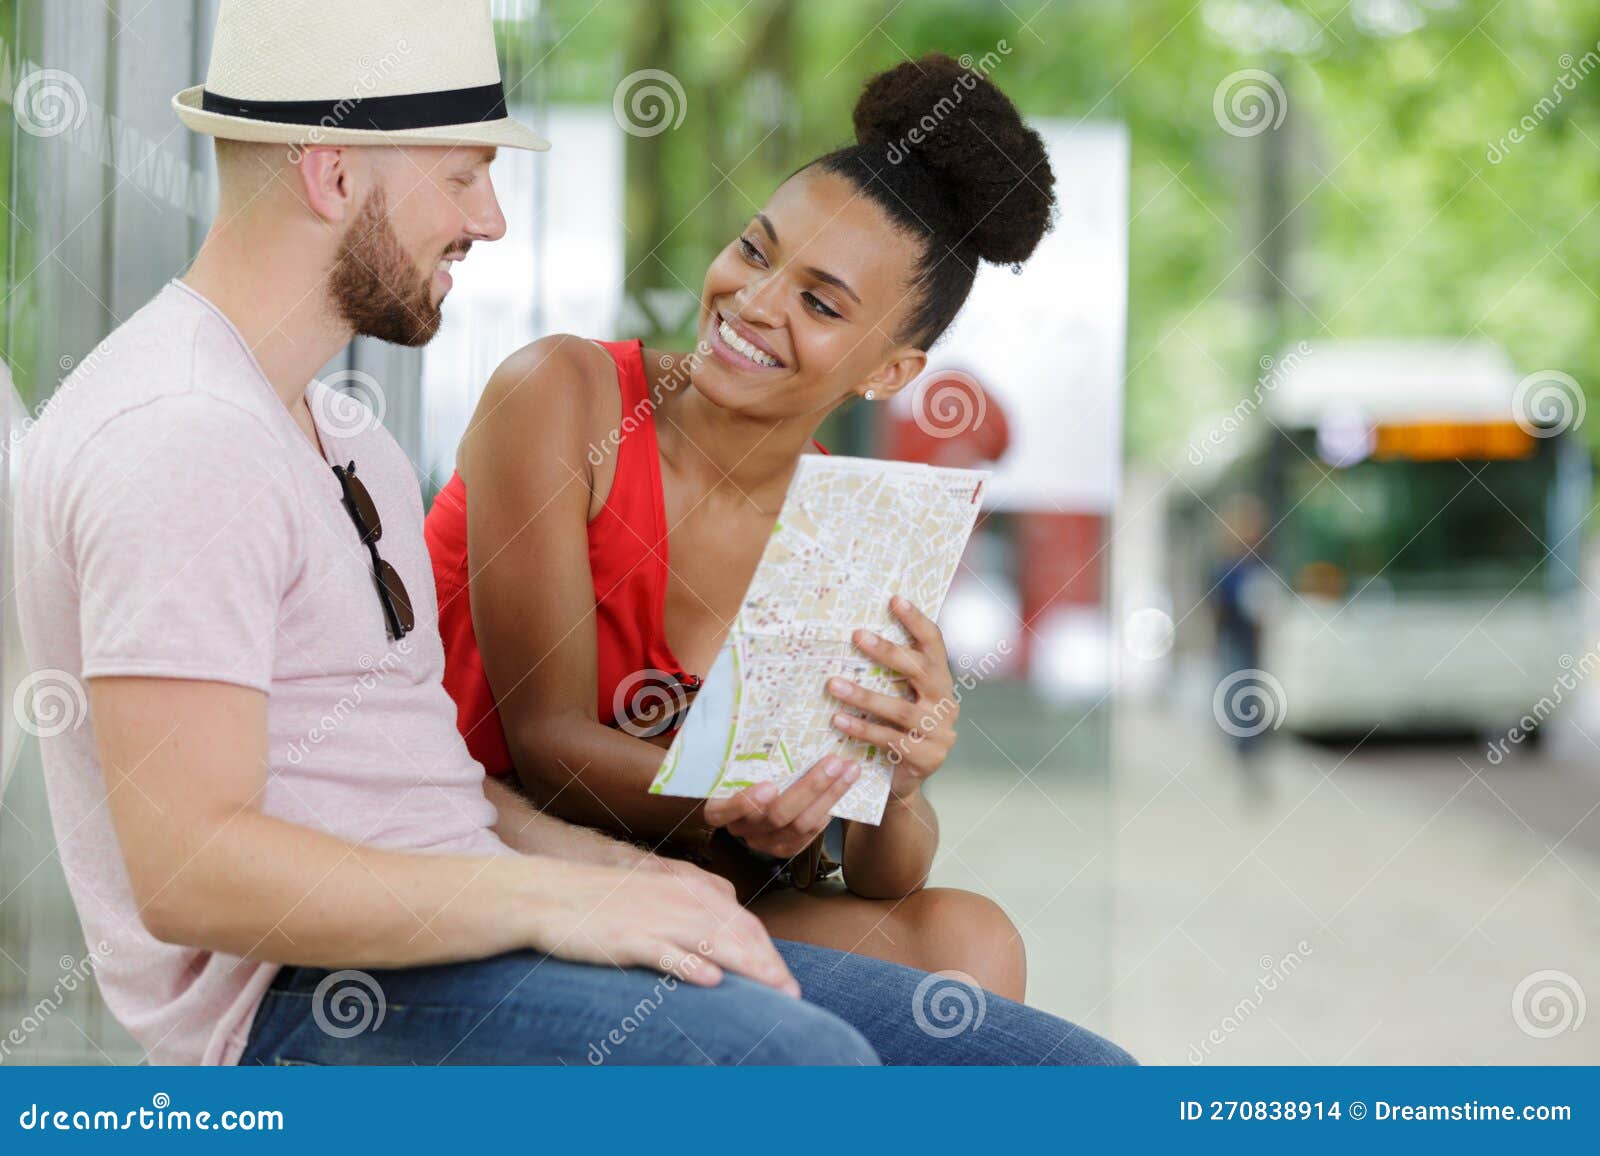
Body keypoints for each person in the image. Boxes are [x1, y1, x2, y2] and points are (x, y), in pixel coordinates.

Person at [12, 0, 1131, 1066]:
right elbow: (193, 870)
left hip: (472, 908)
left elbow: (436, 784)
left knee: (1067, 1083)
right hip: (312, 994)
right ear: (335, 169)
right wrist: (572, 895)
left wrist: (639, 874)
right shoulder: (183, 434)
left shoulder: (345, 439)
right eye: (464, 175)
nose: (488, 218)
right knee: (804, 1067)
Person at [426, 54, 1051, 1003]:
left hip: (700, 890)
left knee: (967, 938)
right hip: (501, 857)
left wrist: (901, 776)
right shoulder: (564, 395)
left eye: (821, 302)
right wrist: (737, 810)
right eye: (757, 251)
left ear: (887, 373)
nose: (754, 303)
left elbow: (881, 871)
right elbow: (548, 746)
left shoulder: (853, 524)